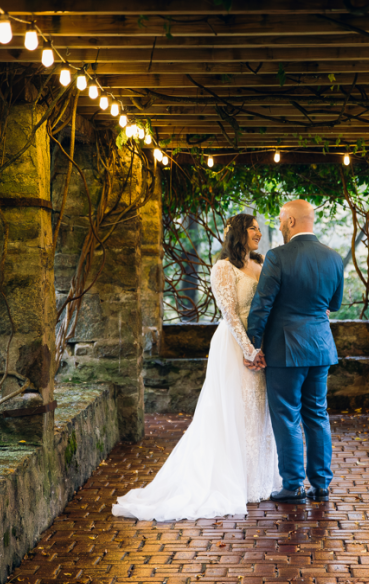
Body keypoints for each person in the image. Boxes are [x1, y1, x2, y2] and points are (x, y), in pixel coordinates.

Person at [112, 213, 280, 522]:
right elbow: (229, 313)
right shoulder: (222, 268)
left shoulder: (263, 264)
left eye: (259, 227)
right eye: (253, 227)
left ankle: (259, 479)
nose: (258, 232)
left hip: (262, 347)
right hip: (234, 347)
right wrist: (249, 350)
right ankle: (233, 480)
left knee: (258, 409)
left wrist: (263, 347)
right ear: (239, 233)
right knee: (233, 409)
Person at [247, 199, 345, 503]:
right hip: (320, 348)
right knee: (317, 414)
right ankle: (321, 485)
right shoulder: (334, 258)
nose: (277, 224)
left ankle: (292, 485)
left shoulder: (278, 257)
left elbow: (261, 306)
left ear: (290, 221)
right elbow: (335, 305)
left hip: (285, 350)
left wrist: (252, 345)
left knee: (287, 415)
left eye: (279, 219)